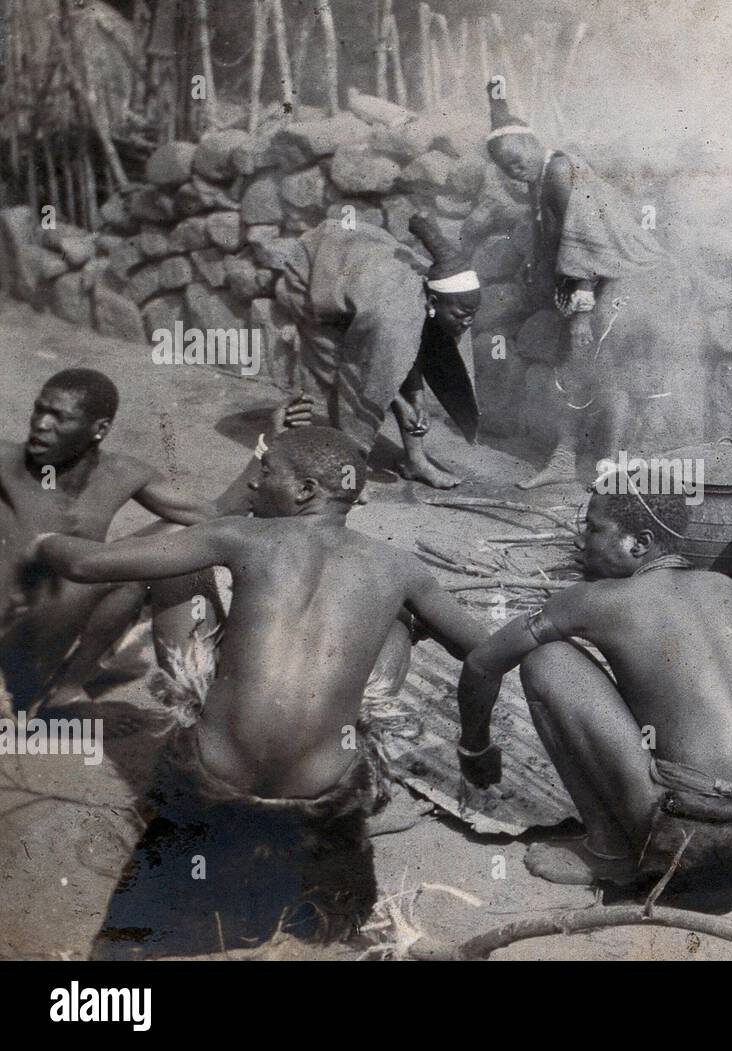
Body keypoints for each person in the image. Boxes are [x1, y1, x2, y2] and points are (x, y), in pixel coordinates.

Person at [34, 425, 488, 957]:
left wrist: (44, 540)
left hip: (214, 778)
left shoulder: (239, 535)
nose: (252, 486)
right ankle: (332, 899)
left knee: (179, 573)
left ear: (304, 492)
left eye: (265, 473)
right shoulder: (400, 566)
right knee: (395, 624)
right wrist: (477, 741)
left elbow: (86, 564)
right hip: (322, 793)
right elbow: (485, 653)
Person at [456, 471, 732, 923]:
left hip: (697, 838)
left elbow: (481, 664)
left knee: (548, 661)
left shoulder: (594, 599)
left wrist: (475, 747)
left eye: (593, 529)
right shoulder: (723, 587)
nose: (581, 541)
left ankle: (609, 852)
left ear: (640, 543)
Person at [0, 369, 294, 711]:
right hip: (7, 634)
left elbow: (213, 517)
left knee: (168, 540)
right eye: (40, 410)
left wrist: (269, 444)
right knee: (113, 566)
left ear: (100, 429)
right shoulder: (5, 462)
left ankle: (65, 692)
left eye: (60, 417)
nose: (42, 424)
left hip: (49, 636)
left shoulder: (121, 473)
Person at [483, 85, 699, 490]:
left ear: (533, 143)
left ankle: (608, 467)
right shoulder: (540, 175)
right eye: (506, 167)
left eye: (517, 159)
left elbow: (588, 238)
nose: (515, 170)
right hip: (603, 278)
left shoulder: (561, 172)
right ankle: (572, 460)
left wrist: (581, 313)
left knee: (602, 368)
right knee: (581, 366)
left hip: (633, 278)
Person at [278, 213, 481, 490]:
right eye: (461, 314)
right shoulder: (391, 314)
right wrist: (400, 402)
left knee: (397, 356)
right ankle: (344, 470)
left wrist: (417, 400)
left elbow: (411, 351)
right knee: (333, 368)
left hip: (361, 276)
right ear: (433, 301)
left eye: (473, 314)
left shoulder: (430, 299)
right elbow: (366, 367)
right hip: (315, 270)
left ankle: (415, 461)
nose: (467, 322)